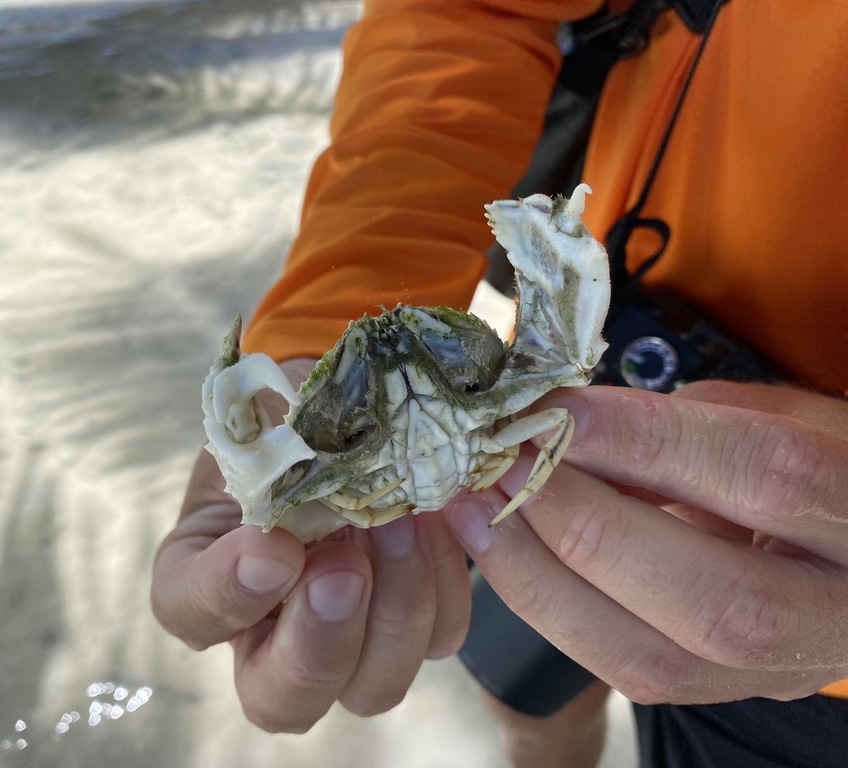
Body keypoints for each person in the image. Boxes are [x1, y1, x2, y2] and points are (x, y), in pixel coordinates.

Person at [151, 0, 848, 765]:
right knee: (523, 698)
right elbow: (472, 13)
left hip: (815, 645)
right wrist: (323, 334)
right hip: (580, 421)